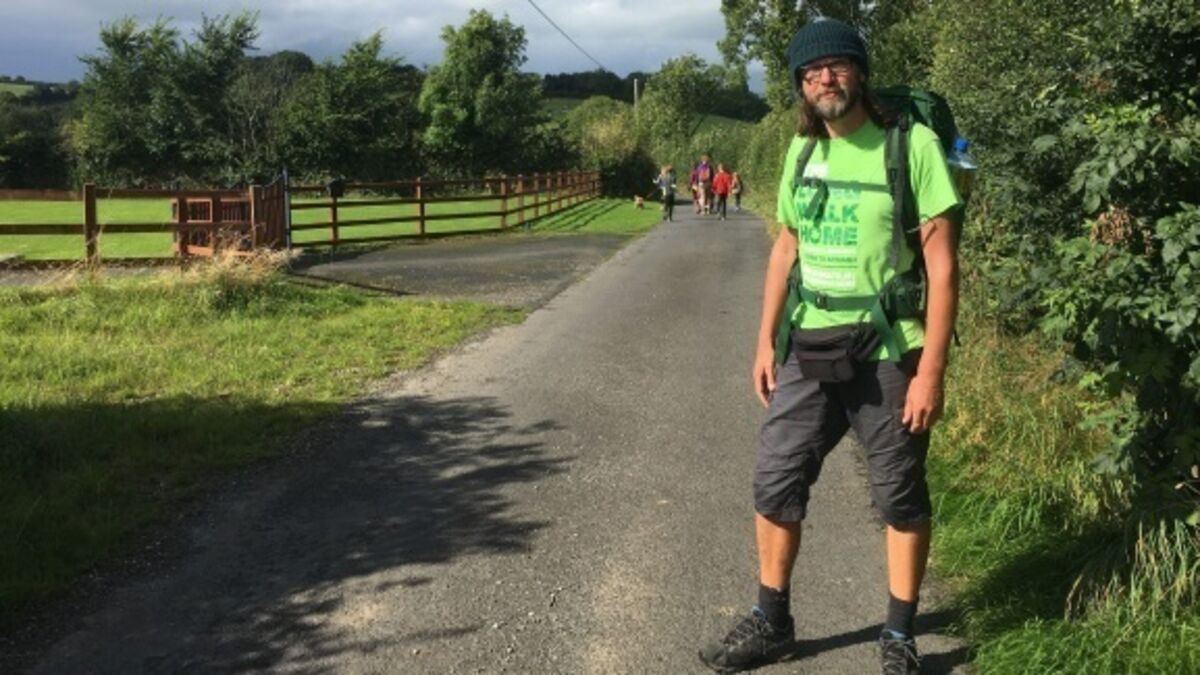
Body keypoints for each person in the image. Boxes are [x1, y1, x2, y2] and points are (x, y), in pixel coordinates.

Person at [698, 18, 961, 675]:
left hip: (890, 350)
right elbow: (786, 245)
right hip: (807, 346)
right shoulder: (802, 151)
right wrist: (763, 340)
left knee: (899, 494)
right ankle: (771, 618)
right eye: (811, 73)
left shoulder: (911, 145)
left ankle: (899, 635)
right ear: (799, 86)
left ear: (859, 72)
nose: (825, 79)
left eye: (837, 66)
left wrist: (932, 369)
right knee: (774, 479)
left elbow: (943, 265)